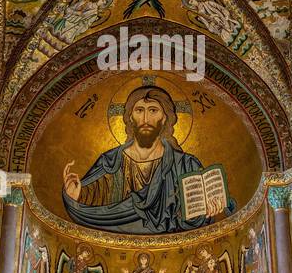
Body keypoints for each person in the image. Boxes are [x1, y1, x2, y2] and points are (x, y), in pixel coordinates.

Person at [62, 85, 225, 235]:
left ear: (164, 117)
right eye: (139, 110)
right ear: (130, 117)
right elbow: (91, 209)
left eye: (153, 110)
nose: (146, 118)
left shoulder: (185, 165)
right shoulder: (110, 162)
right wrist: (74, 197)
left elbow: (189, 223)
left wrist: (207, 213)